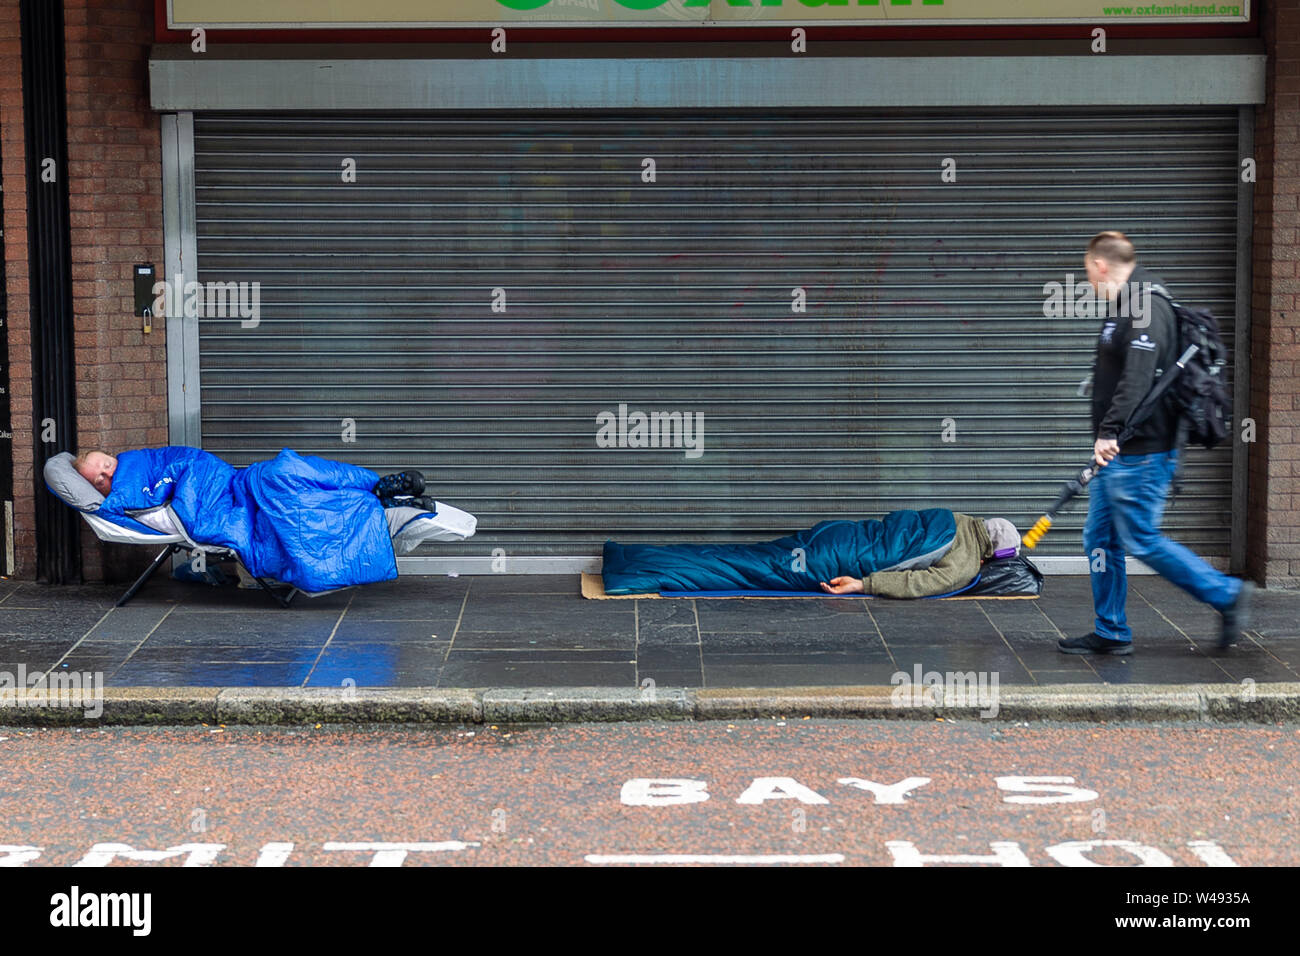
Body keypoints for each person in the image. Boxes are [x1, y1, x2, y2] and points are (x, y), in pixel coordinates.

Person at [1061, 231, 1253, 656]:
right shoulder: (1126, 303)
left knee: (1141, 539)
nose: (1088, 281)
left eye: (1087, 272)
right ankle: (1111, 631)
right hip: (1122, 454)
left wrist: (1108, 432)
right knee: (1100, 538)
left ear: (1100, 265)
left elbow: (1137, 380)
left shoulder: (1146, 304)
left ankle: (1226, 594)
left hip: (1141, 452)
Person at [602, 509, 1022, 598]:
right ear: (992, 555)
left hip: (839, 534)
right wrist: (862, 584)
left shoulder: (955, 517)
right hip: (837, 563)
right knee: (739, 569)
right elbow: (919, 582)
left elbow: (897, 521)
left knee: (744, 557)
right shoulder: (966, 562)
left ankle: (631, 555)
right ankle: (630, 572)